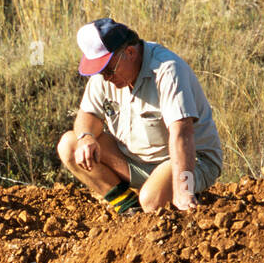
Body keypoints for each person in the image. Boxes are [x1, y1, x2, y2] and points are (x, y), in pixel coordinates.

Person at [57, 18, 223, 215]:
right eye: (100, 72)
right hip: (136, 161)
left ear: (130, 52)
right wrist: (86, 137)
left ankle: (179, 193)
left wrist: (183, 190)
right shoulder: (106, 74)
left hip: (188, 160)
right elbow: (88, 114)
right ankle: (129, 208)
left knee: (152, 201)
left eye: (108, 70)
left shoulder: (167, 69)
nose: (106, 77)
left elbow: (182, 134)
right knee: (70, 145)